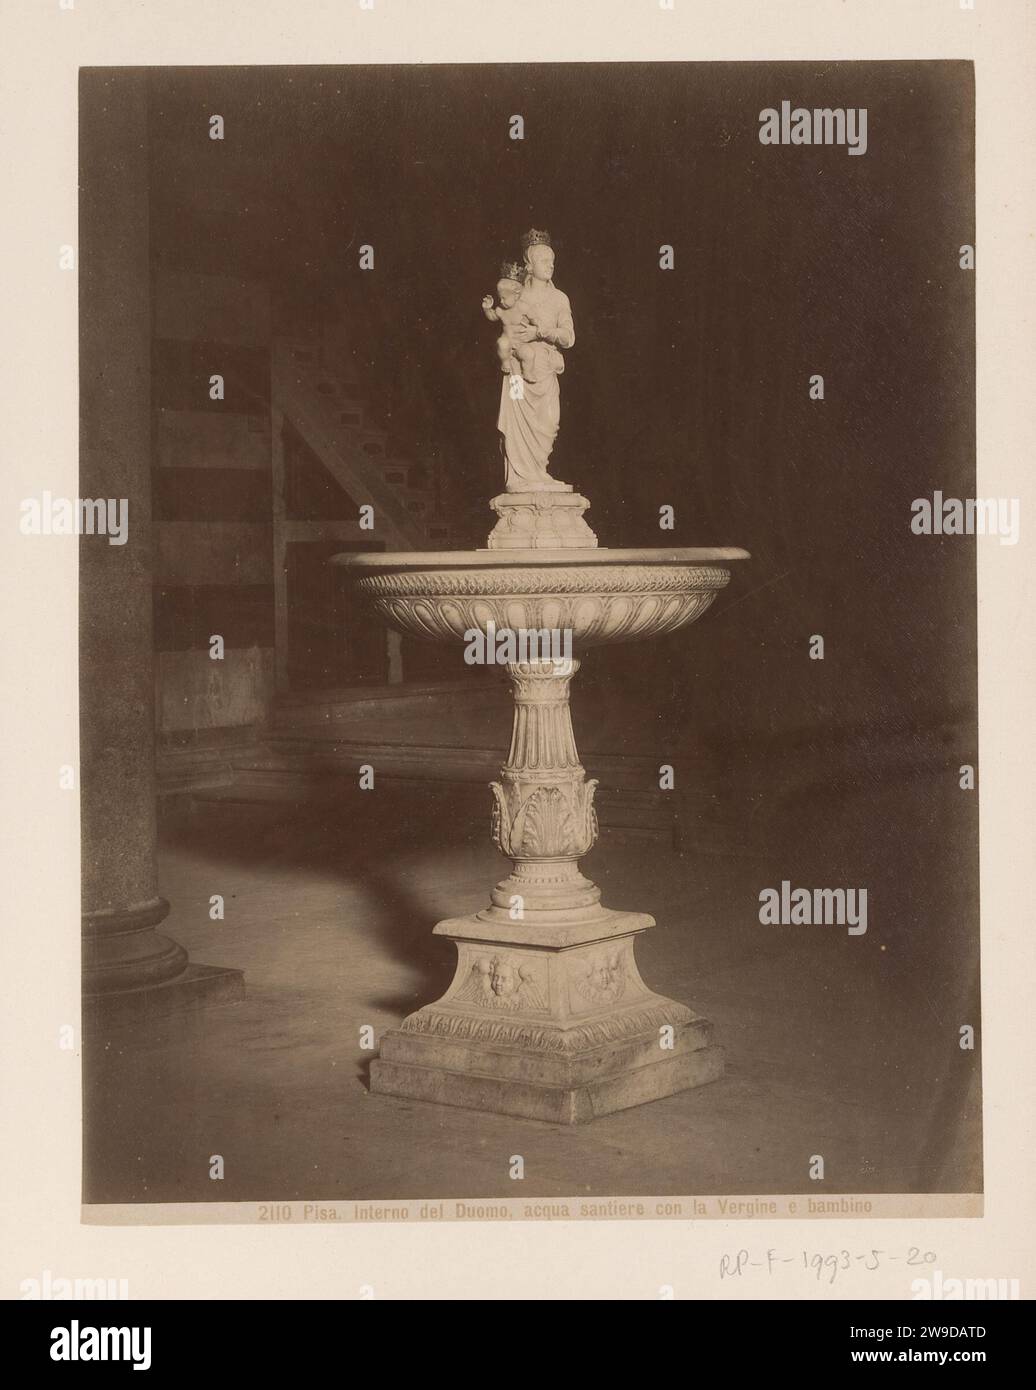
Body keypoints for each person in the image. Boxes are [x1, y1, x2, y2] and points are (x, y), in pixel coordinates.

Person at [494, 230, 575, 492]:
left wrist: (540, 332)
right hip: (517, 373)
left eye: (552, 261)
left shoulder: (559, 298)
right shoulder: (518, 296)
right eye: (543, 261)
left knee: (550, 422)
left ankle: (539, 471)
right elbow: (505, 328)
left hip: (546, 370)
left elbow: (569, 337)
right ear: (529, 265)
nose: (550, 266)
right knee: (515, 415)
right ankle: (521, 478)